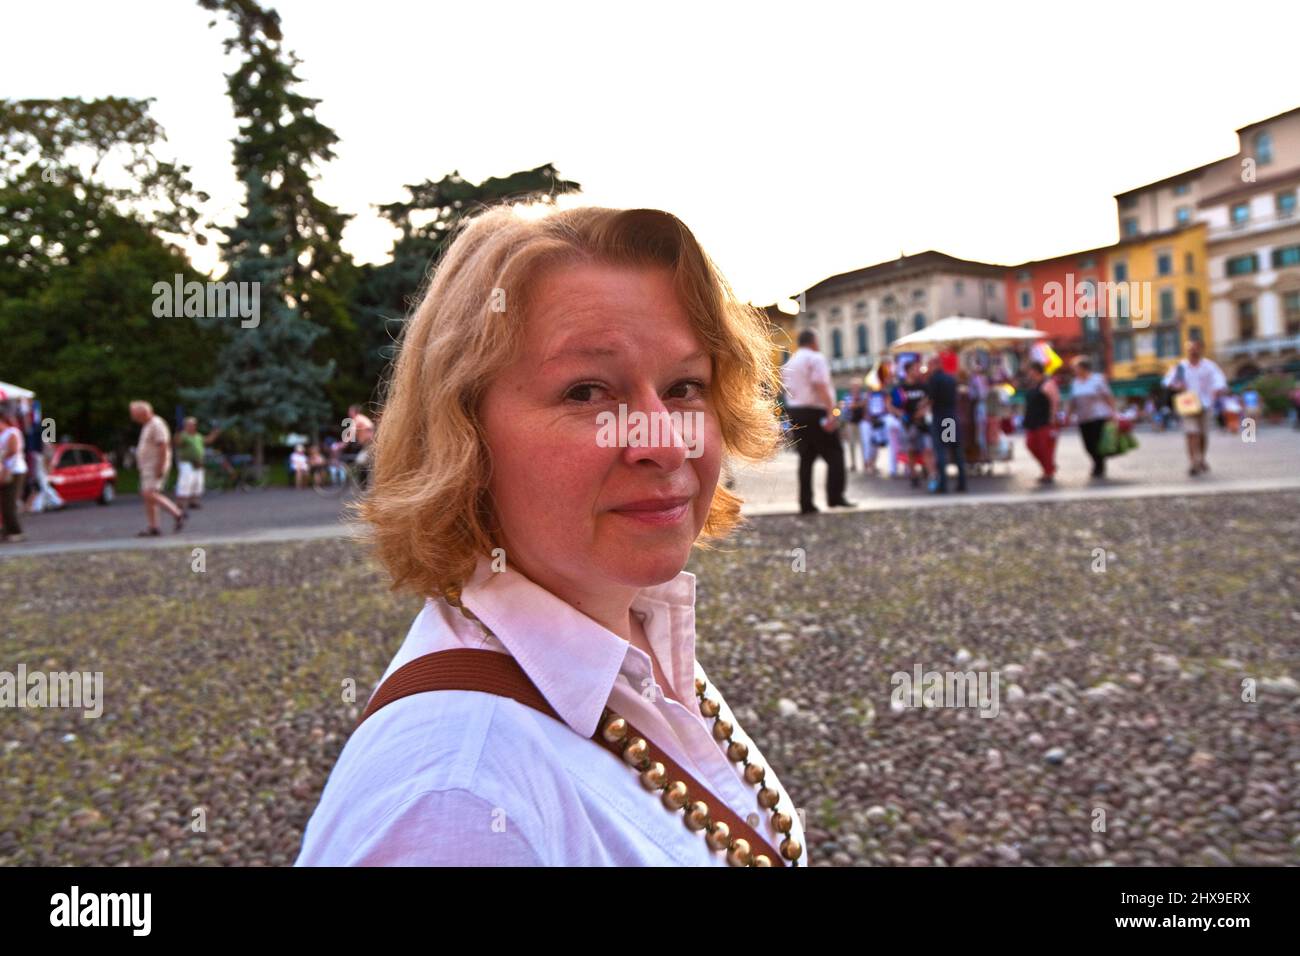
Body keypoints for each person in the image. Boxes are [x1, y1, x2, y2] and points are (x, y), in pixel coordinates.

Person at [296, 204, 807, 867]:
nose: (667, 440)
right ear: (465, 435)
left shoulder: (620, 624)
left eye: (685, 386)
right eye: (587, 392)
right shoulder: (458, 805)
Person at [780, 329, 853, 514]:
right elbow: (820, 384)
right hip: (816, 411)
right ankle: (835, 496)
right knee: (835, 453)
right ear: (813, 342)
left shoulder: (790, 362)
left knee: (806, 457)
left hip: (796, 411)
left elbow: (786, 390)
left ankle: (806, 503)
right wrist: (831, 412)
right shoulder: (815, 358)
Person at [1162, 339, 1227, 476]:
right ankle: (1193, 462)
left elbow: (1219, 381)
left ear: (1201, 349)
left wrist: (1217, 390)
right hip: (1188, 405)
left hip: (1205, 403)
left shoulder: (1209, 366)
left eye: (1195, 347)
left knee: (1203, 435)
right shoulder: (1181, 367)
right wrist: (1176, 386)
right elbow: (1168, 381)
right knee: (1191, 433)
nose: (1192, 350)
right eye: (1190, 348)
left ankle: (1201, 457)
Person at [129, 400, 186, 535]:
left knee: (149, 493)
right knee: (148, 496)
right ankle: (153, 527)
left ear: (143, 413)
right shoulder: (148, 425)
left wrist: (160, 466)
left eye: (134, 414)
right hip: (148, 466)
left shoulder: (156, 424)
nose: (133, 418)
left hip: (154, 465)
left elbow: (163, 446)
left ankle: (178, 513)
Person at [1067, 357, 1116, 479]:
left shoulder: (1097, 380)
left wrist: (1113, 412)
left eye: (1076, 368)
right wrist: (1068, 415)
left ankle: (1099, 465)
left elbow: (1108, 396)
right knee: (1087, 444)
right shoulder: (1075, 383)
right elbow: (1072, 401)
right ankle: (1097, 461)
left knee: (1096, 441)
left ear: (1084, 368)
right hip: (1083, 417)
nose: (1075, 371)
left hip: (1098, 415)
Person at [924, 352, 967, 493]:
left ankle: (943, 484)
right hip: (951, 417)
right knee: (955, 451)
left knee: (941, 451)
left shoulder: (934, 380)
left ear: (934, 364)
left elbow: (931, 400)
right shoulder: (950, 379)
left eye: (929, 364)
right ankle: (962, 483)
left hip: (940, 418)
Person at [889, 361, 930, 488]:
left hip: (923, 423)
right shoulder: (900, 387)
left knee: (926, 448)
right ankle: (913, 475)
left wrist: (924, 410)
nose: (917, 371)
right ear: (908, 371)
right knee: (911, 450)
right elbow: (889, 404)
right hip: (908, 423)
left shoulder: (922, 385)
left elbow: (929, 400)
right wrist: (899, 413)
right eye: (915, 368)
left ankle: (927, 470)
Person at [1022, 361, 1059, 485]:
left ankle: (1048, 471)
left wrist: (1053, 418)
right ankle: (1048, 467)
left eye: (1030, 371)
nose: (1028, 374)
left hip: (1044, 421)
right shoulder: (1033, 384)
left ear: (1035, 371)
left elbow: (1054, 401)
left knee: (1045, 448)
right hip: (1032, 420)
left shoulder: (1048, 384)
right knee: (1030, 444)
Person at [174, 417, 220, 509]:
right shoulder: (183, 435)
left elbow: (208, 440)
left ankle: (193, 501)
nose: (192, 426)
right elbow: (177, 442)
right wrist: (177, 433)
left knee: (197, 481)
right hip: (186, 462)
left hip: (198, 462)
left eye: (194, 424)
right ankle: (180, 502)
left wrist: (215, 433)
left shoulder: (198, 436)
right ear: (185, 426)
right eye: (190, 424)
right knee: (185, 481)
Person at [0, 405, 28, 543]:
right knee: (4, 502)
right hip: (4, 471)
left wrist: (2, 456)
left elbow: (13, 450)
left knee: (9, 502)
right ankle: (7, 530)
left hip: (14, 471)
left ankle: (16, 531)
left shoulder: (12, 432)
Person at [841, 385, 865, 472]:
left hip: (861, 423)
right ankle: (853, 464)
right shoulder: (846, 396)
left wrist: (857, 404)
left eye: (857, 387)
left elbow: (865, 406)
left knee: (863, 444)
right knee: (851, 444)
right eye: (854, 387)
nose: (855, 388)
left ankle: (865, 464)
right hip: (850, 423)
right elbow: (847, 408)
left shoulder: (863, 396)